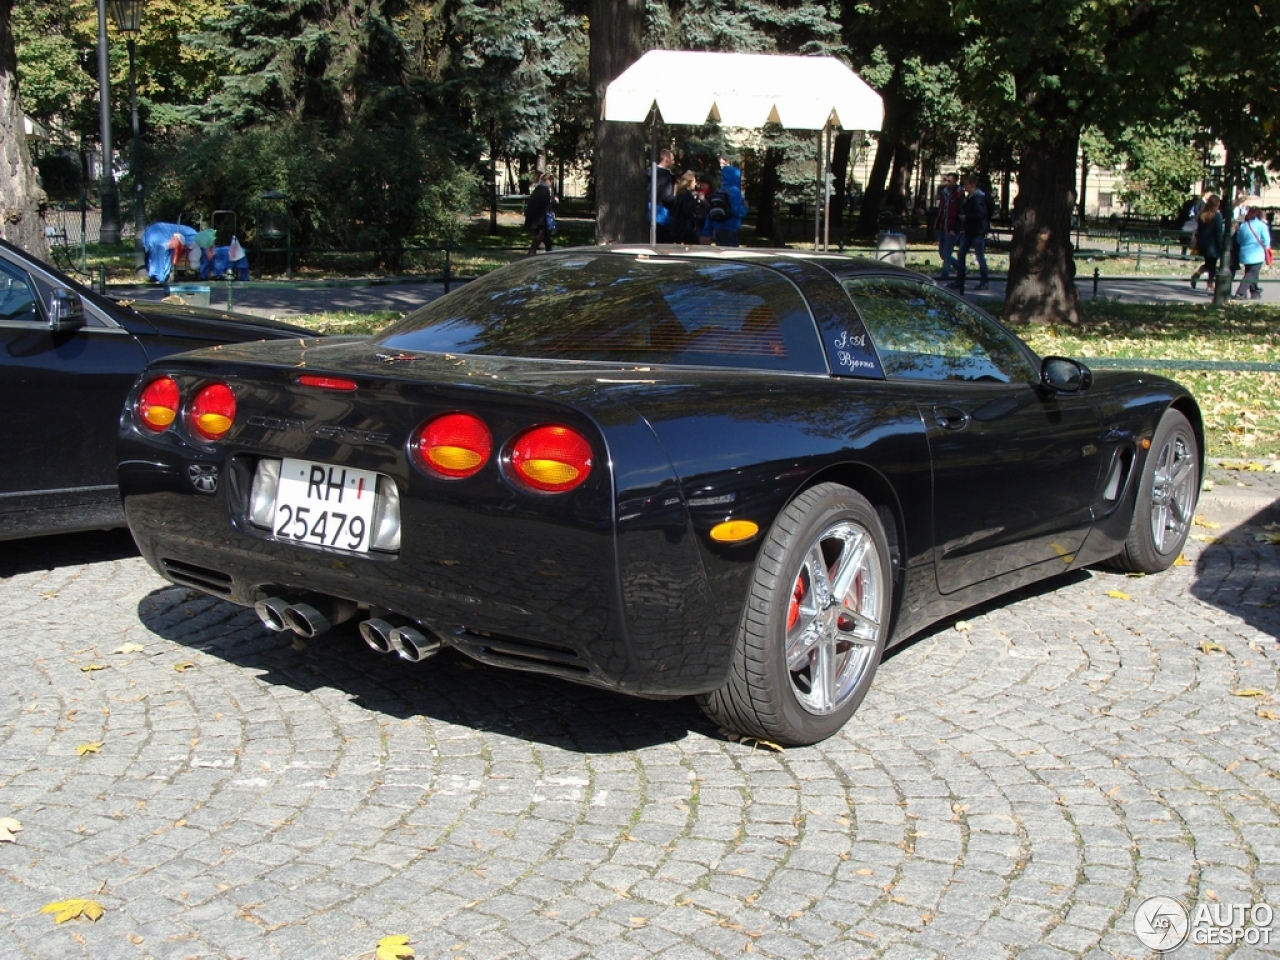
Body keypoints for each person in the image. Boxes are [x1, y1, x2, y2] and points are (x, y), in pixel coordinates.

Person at [948, 174, 990, 293]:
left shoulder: (978, 198)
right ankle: (960, 279)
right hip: (969, 231)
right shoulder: (971, 197)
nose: (964, 186)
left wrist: (966, 217)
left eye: (965, 184)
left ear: (972, 185)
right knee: (961, 254)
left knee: (979, 256)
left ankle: (984, 281)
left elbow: (980, 215)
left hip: (976, 232)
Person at [701, 157, 748, 247]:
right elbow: (737, 211)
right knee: (731, 257)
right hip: (729, 229)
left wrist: (706, 233)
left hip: (717, 229)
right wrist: (745, 208)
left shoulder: (719, 191)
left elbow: (710, 214)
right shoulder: (734, 191)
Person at [1233, 206, 1270, 301]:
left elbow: (1239, 240)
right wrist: (1266, 248)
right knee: (1252, 273)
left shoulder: (1244, 225)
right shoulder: (1261, 225)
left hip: (1245, 253)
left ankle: (1255, 292)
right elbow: (1266, 240)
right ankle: (1240, 293)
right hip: (1257, 253)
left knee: (1251, 272)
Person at [1190, 194, 1223, 292]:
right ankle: (1209, 284)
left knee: (1208, 263)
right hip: (1213, 244)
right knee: (1212, 265)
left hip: (1203, 243)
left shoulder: (1202, 215)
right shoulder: (1217, 216)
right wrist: (1220, 245)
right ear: (1216, 204)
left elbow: (1199, 230)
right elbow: (1218, 232)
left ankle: (1196, 275)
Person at [934, 173, 963, 280]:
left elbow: (960, 214)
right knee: (942, 253)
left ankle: (945, 275)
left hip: (952, 229)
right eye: (946, 180)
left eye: (949, 181)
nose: (946, 183)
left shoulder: (959, 195)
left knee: (946, 253)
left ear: (955, 181)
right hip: (944, 227)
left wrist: (955, 229)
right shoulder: (944, 193)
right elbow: (941, 210)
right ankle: (960, 267)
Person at [524, 173, 555, 255]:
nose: (551, 184)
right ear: (547, 180)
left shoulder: (538, 189)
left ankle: (550, 253)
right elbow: (546, 206)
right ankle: (530, 255)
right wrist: (554, 201)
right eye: (551, 181)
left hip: (535, 220)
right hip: (540, 221)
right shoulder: (545, 191)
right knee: (538, 238)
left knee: (546, 239)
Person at [650, 148, 677, 242]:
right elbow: (666, 197)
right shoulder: (666, 176)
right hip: (660, 215)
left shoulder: (649, 172)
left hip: (648, 212)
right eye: (672, 159)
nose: (673, 162)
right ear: (666, 159)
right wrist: (677, 198)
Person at [667, 171, 700, 244]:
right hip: (685, 228)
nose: (695, 183)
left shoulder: (679, 194)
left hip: (677, 227)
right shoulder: (687, 195)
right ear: (689, 183)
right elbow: (687, 209)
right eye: (694, 181)